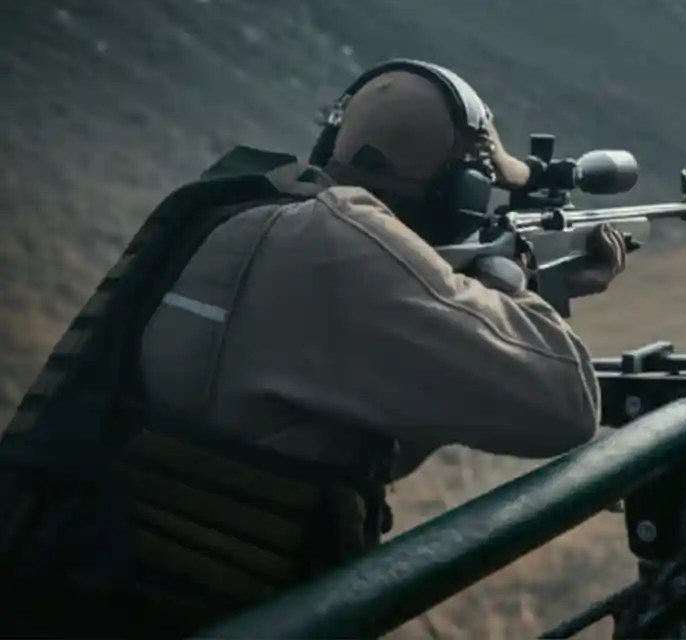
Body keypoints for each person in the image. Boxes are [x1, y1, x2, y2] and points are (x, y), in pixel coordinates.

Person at [0, 60, 627, 637]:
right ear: (459, 190)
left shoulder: (248, 211)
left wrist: (541, 290)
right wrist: (507, 281)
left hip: (93, 592)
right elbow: (565, 404)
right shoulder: (342, 242)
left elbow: (357, 437)